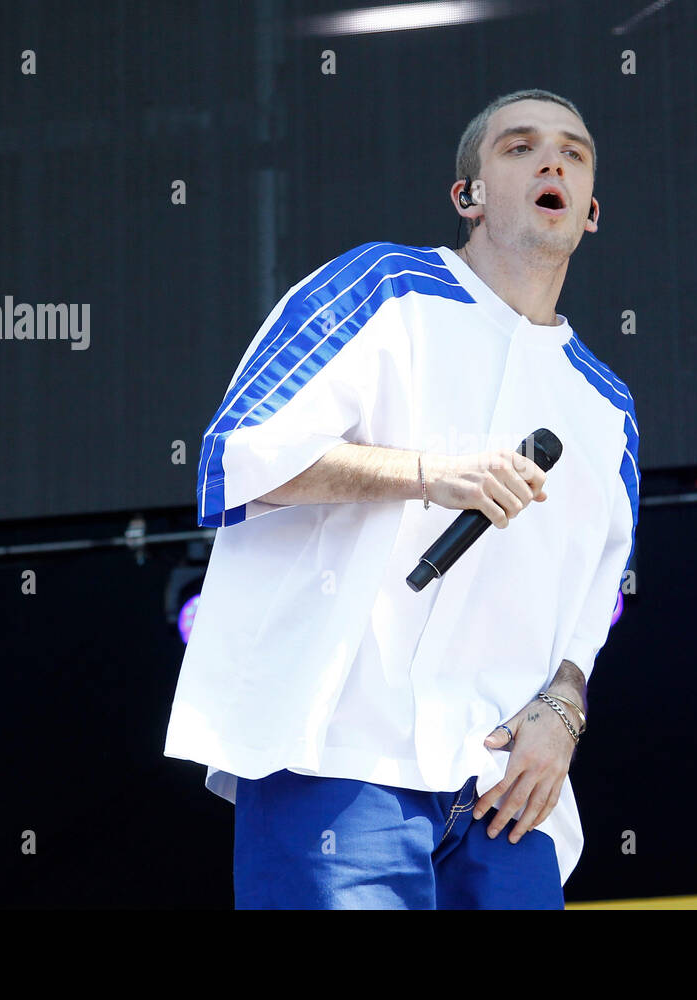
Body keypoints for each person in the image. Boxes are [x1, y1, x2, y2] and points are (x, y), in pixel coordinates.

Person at [164, 89, 639, 909]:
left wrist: (564, 707)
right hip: (338, 754)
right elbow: (237, 458)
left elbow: (593, 604)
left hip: (504, 791)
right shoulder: (382, 286)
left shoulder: (608, 406)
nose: (551, 160)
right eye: (519, 147)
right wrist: (431, 473)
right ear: (469, 196)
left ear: (591, 211)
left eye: (573, 150)